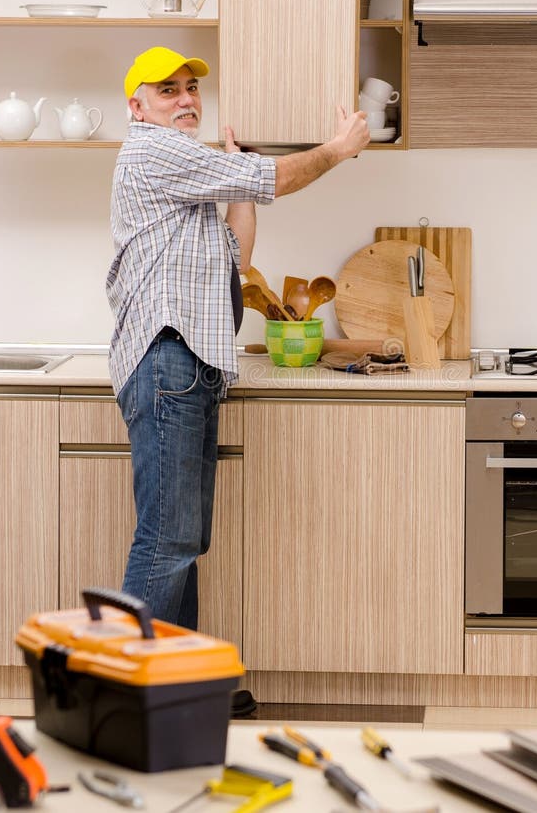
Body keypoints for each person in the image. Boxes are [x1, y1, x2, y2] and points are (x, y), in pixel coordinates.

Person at [106, 46, 369, 637]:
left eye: (191, 88)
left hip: (187, 364)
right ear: (138, 107)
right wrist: (337, 150)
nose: (186, 98)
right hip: (166, 359)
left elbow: (236, 256)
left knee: (184, 541)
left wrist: (237, 182)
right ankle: (118, 701)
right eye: (167, 90)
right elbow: (277, 177)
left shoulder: (187, 172)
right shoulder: (154, 149)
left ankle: (179, 693)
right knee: (166, 541)